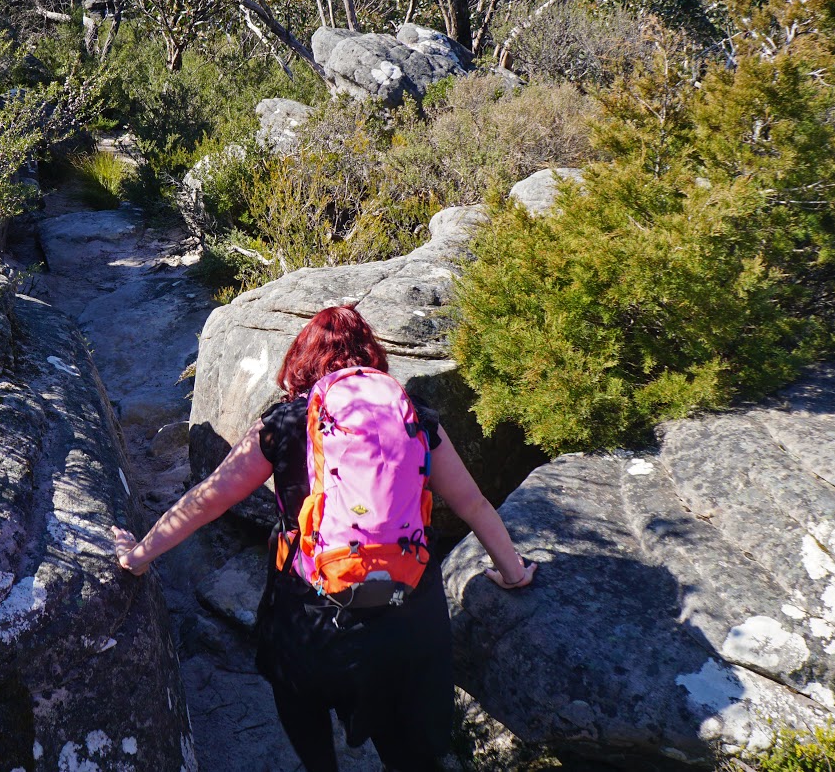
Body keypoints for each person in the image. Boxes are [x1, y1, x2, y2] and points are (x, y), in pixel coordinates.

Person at [112, 305, 536, 772]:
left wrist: (138, 554)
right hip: (408, 619)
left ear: (302, 361)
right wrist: (513, 573)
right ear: (370, 358)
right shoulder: (415, 418)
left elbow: (209, 499)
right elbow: (473, 505)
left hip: (313, 624)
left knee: (307, 723)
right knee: (412, 757)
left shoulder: (284, 423)